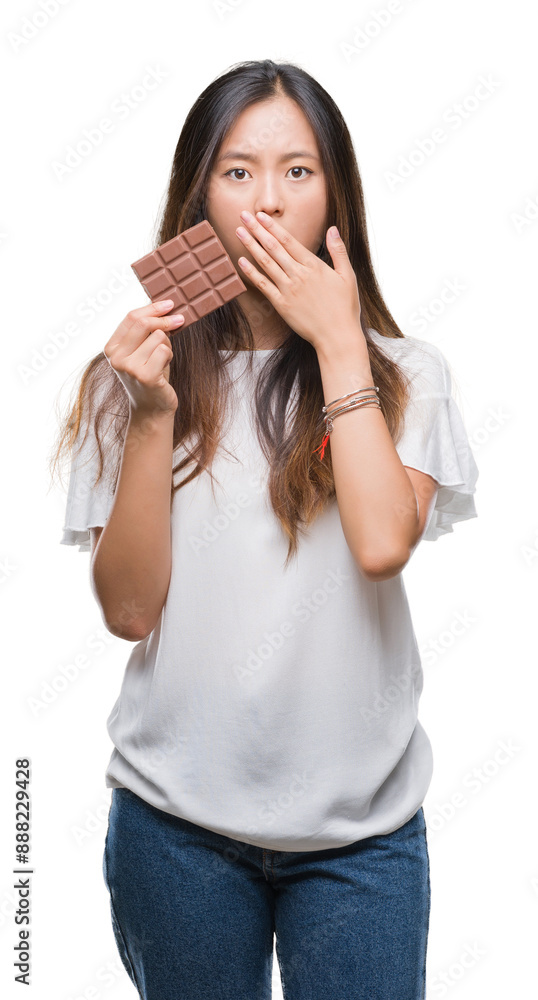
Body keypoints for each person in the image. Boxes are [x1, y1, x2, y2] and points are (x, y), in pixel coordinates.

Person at [52, 59, 479, 1000]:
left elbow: (381, 544)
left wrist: (336, 342)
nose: (268, 201)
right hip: (176, 832)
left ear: (336, 196)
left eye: (299, 170)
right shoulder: (130, 379)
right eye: (238, 171)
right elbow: (128, 611)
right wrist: (153, 416)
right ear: (198, 193)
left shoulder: (409, 372)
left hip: (360, 843)